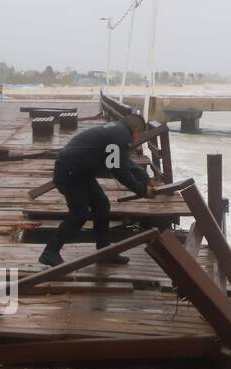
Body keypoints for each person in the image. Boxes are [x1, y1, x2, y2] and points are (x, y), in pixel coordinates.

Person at [39, 113, 154, 267]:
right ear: (136, 131)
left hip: (80, 172)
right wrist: (141, 190)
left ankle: (103, 251)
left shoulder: (116, 131)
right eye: (139, 136)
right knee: (79, 213)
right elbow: (119, 170)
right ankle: (50, 252)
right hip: (70, 172)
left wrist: (146, 179)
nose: (136, 140)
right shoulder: (120, 136)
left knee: (102, 206)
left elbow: (125, 162)